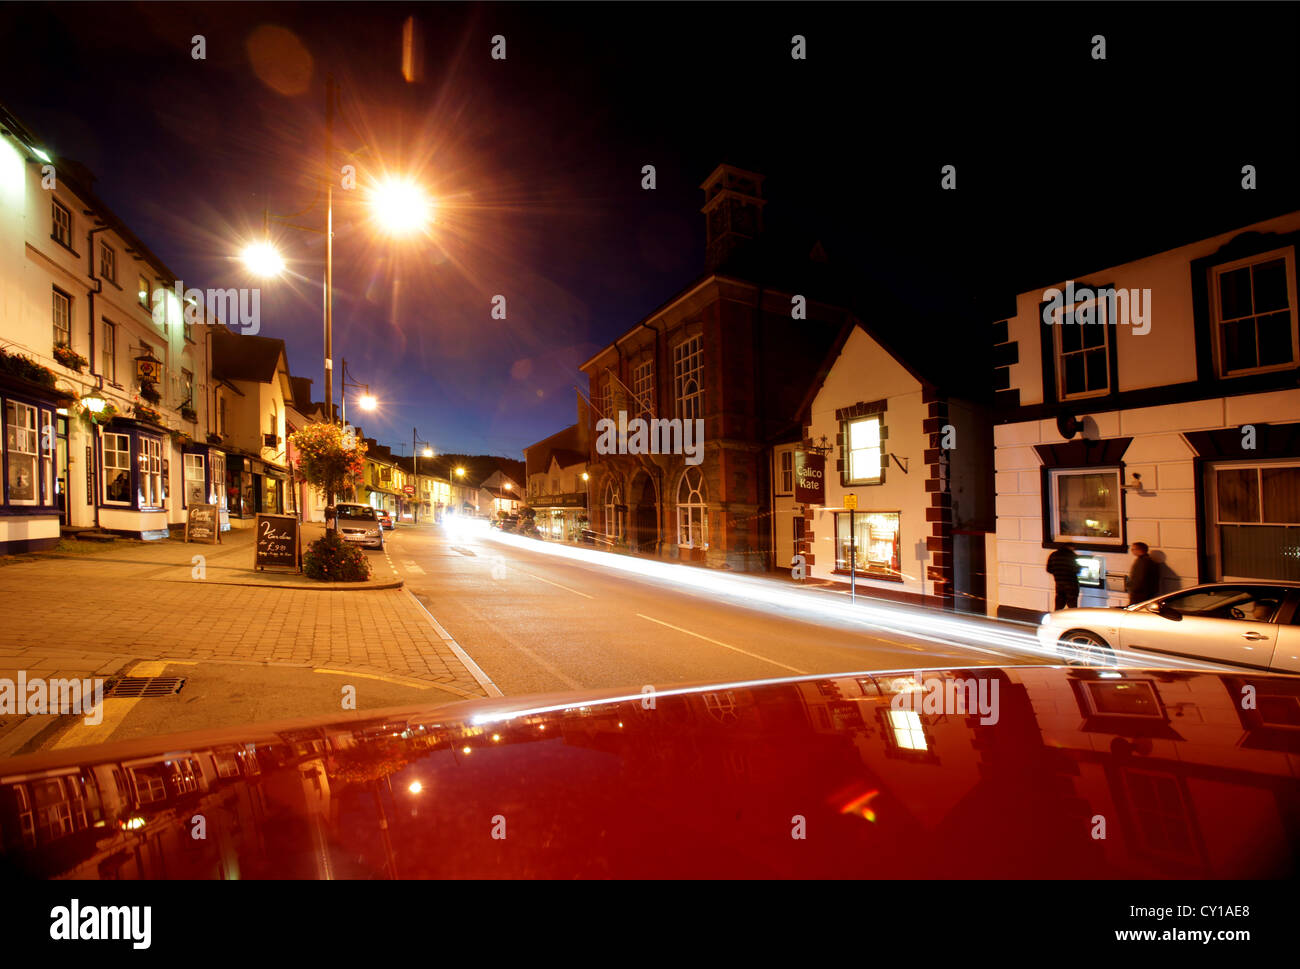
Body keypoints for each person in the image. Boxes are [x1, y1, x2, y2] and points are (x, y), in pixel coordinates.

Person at [1045, 543, 1080, 610]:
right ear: (1069, 547)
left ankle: (1056, 618)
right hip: (1071, 584)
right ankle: (1073, 619)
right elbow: (1077, 570)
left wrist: (1058, 573)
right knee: (1072, 606)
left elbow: (1049, 569)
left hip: (1059, 584)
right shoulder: (1072, 556)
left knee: (1059, 604)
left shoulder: (1053, 555)